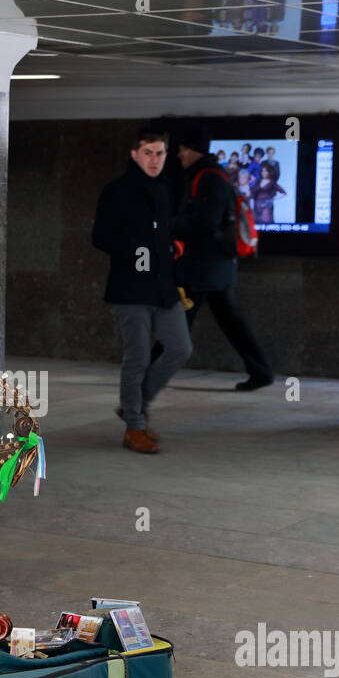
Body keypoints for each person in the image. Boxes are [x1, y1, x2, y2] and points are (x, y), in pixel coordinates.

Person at [92, 126, 192, 453]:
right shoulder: (116, 190)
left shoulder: (165, 188)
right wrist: (139, 252)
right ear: (134, 154)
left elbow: (163, 232)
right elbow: (101, 237)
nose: (154, 159)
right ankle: (134, 427)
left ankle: (134, 405)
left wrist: (170, 247)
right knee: (137, 358)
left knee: (179, 347)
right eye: (148, 152)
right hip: (130, 288)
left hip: (163, 287)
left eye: (160, 153)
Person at [173, 125, 274, 391]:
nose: (179, 154)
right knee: (230, 320)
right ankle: (261, 371)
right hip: (214, 265)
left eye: (184, 148)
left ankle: (146, 376)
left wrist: (169, 225)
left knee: (178, 322)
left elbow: (206, 221)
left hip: (204, 267)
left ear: (196, 150)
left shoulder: (209, 178)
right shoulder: (207, 175)